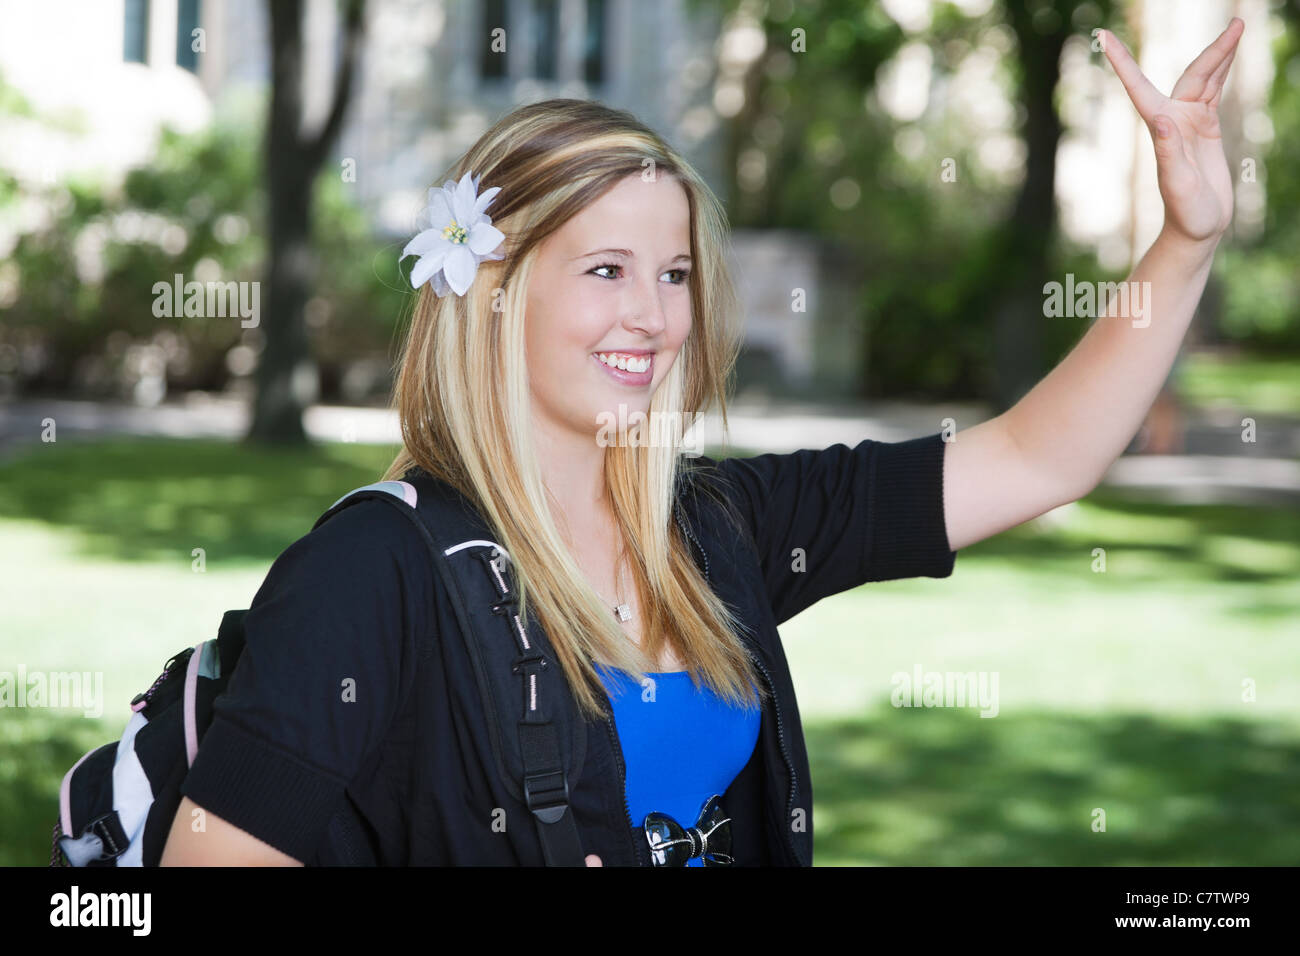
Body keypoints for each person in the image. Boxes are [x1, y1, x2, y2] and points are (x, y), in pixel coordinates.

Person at [160, 18, 1242, 864]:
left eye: (672, 273)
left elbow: (1034, 458)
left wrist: (1183, 241)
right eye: (604, 271)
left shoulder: (718, 529)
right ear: (493, 297)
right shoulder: (372, 573)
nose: (652, 313)